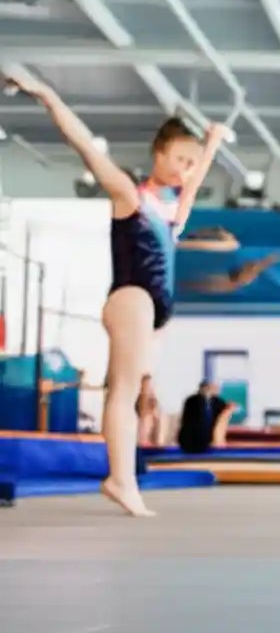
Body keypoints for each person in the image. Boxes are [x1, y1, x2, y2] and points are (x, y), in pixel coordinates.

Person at [6, 71, 226, 516]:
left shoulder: (170, 212)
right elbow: (86, 146)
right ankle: (121, 480)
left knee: (137, 393)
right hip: (133, 298)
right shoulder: (130, 195)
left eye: (190, 163)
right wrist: (46, 94)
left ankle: (123, 477)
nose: (185, 170)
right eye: (179, 159)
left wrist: (212, 144)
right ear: (159, 153)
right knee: (122, 392)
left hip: (156, 312)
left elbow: (197, 180)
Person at [176, 380, 235, 455]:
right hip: (192, 439)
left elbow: (222, 420)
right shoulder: (191, 401)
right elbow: (186, 421)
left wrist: (228, 410)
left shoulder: (219, 402)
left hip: (210, 439)